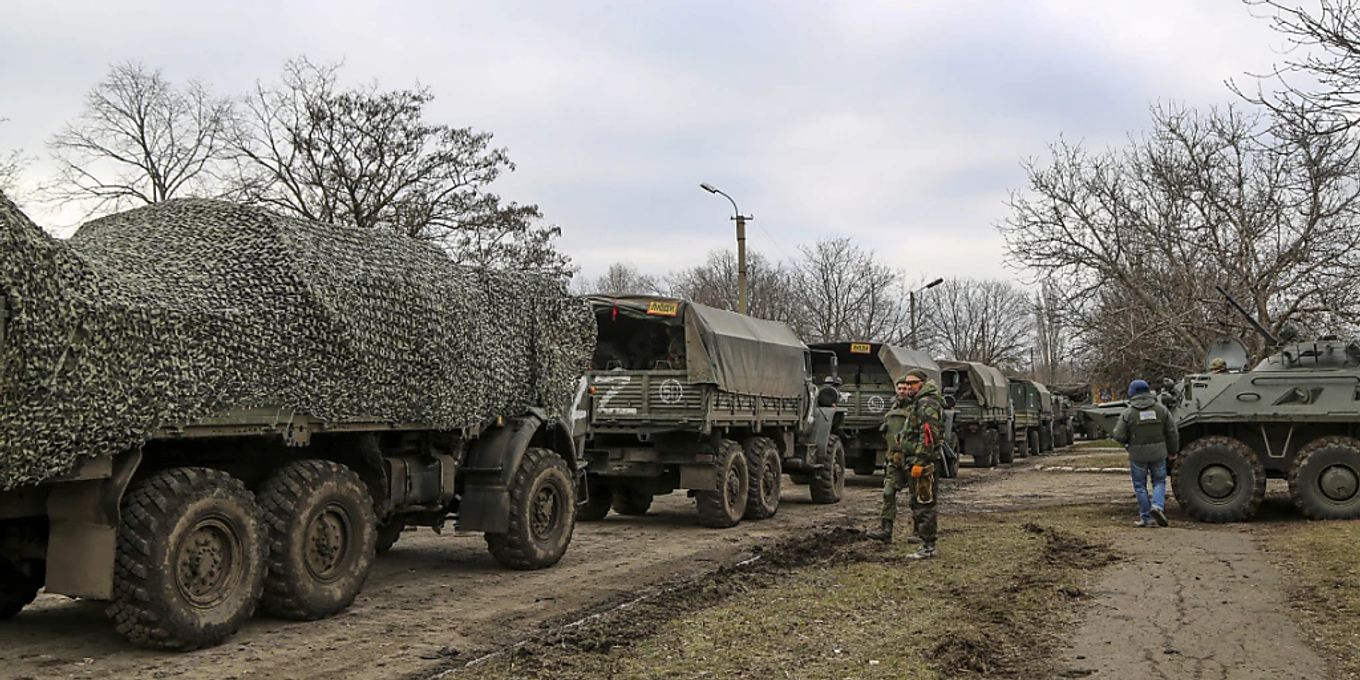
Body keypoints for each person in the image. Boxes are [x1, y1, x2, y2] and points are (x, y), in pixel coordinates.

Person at [867, 370, 945, 559]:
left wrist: (920, 461)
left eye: (912, 383)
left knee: (924, 502)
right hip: (910, 460)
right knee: (917, 501)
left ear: (922, 383)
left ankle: (928, 546)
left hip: (922, 462)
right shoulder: (920, 402)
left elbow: (928, 436)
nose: (908, 387)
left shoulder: (927, 404)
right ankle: (925, 543)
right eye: (906, 384)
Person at [1112, 379, 1179, 528]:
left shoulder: (1128, 413)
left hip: (1137, 454)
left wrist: (1128, 441)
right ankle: (1157, 506)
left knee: (1140, 485)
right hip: (1159, 452)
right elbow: (1172, 432)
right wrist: (1173, 451)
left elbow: (1118, 435)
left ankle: (1146, 518)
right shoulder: (1161, 409)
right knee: (1159, 481)